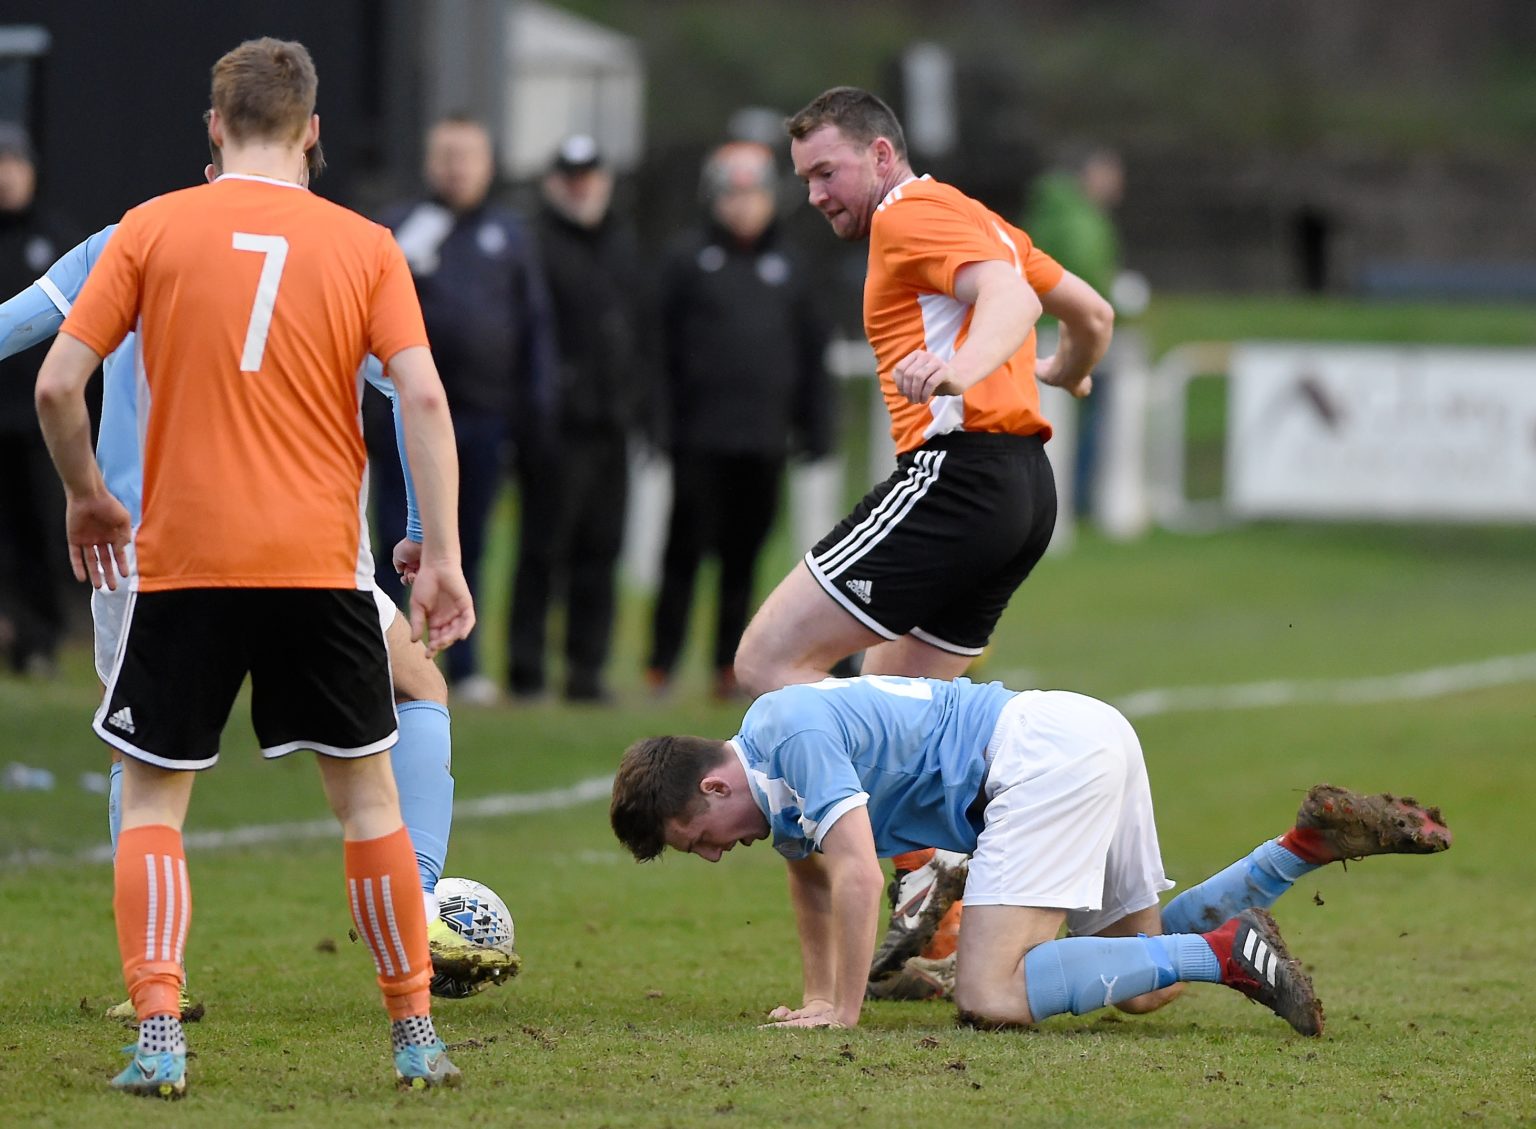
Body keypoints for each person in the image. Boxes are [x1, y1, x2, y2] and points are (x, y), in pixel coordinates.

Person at [33, 38, 473, 1095]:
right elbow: (420, 400)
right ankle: (414, 1037)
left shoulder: (148, 228)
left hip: (181, 564)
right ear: (315, 130)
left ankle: (158, 1037)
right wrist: (444, 554)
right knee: (367, 805)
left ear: (214, 127)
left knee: (152, 805)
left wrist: (88, 494)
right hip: (317, 567)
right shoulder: (367, 246)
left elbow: (56, 384)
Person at [732, 86, 1115, 987]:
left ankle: (909, 873)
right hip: (1022, 492)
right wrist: (1067, 370)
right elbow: (1088, 311)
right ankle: (948, 898)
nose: (817, 193)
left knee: (765, 666)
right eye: (805, 178)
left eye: (826, 171)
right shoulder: (975, 215)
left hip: (959, 475)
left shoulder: (913, 214)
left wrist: (958, 369)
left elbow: (1011, 301)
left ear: (879, 155)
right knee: (893, 709)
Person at [609, 674, 1452, 1032]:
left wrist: (847, 1012)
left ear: (714, 789)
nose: (713, 857)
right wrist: (815, 996)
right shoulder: (774, 785)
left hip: (1038, 758)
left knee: (990, 993)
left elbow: (861, 874)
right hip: (1079, 737)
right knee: (1136, 987)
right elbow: (815, 887)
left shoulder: (785, 729)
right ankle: (1300, 847)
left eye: (697, 840)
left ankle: (1226, 950)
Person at [376, 114, 557, 705]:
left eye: (468, 156)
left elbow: (533, 324)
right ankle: (380, 656)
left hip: (481, 417)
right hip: (403, 415)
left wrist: (536, 406)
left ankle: (466, 659)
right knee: (393, 537)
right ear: (430, 162)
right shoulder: (401, 229)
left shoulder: (509, 235)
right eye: (446, 156)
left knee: (468, 540)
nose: (456, 168)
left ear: (488, 164)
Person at [645, 140, 833, 701]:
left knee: (743, 559)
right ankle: (661, 662)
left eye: (754, 196)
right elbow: (657, 349)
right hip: (699, 437)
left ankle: (728, 665)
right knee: (682, 553)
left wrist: (815, 425)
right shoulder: (685, 261)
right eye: (733, 195)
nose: (744, 207)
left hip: (763, 439)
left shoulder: (792, 268)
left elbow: (810, 354)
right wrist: (658, 420)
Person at [509, 135, 647, 703]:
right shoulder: (534, 245)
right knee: (544, 548)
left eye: (590, 174)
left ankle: (586, 670)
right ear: (552, 182)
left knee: (601, 548)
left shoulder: (623, 244)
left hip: (611, 423)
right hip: (555, 426)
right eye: (570, 175)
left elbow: (643, 333)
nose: (581, 185)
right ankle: (527, 670)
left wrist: (641, 406)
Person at [0, 121, 79, 677]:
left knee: (38, 531)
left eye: (14, 164)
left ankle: (40, 639)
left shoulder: (59, 241)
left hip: (35, 423)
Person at [1023, 143, 1125, 515]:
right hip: (1071, 334)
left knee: (1043, 424)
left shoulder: (1045, 212)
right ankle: (1073, 503)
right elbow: (1087, 279)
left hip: (1034, 332)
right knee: (1078, 420)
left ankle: (1048, 503)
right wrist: (1118, 299)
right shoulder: (1081, 220)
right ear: (1092, 174)